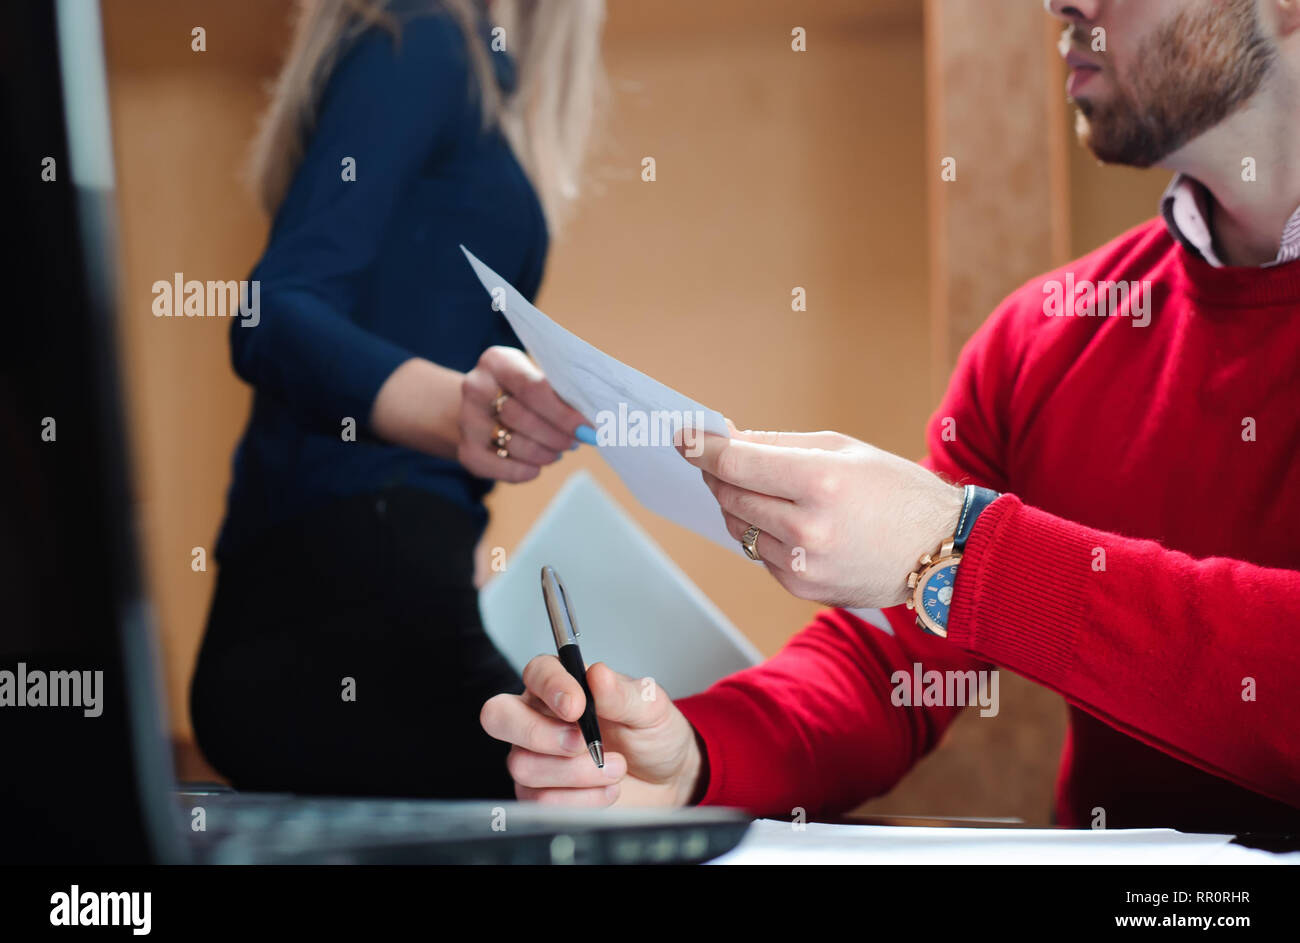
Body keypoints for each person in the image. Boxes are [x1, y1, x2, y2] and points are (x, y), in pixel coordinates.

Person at [480, 0, 1300, 830]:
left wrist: (962, 548)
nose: (1063, 3)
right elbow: (896, 657)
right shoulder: (1043, 338)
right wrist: (692, 758)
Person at [190, 0, 605, 799]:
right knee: (580, 781)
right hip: (330, 610)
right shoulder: (422, 40)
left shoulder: (474, 75)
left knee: (588, 767)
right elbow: (268, 311)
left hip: (395, 580)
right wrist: (464, 410)